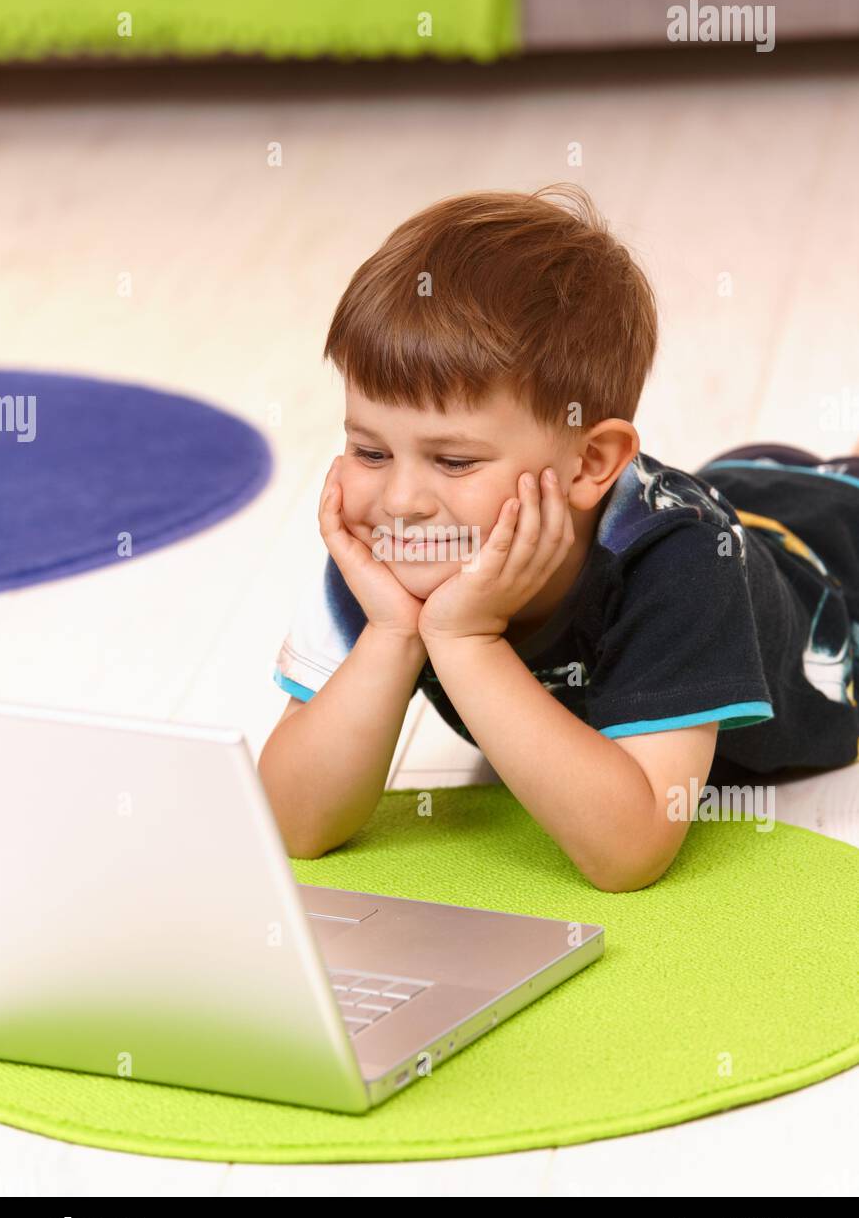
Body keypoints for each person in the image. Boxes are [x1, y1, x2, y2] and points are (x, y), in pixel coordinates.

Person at [258, 184, 859, 891]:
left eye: (454, 461)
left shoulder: (683, 562)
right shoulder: (391, 553)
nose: (400, 501)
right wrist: (392, 633)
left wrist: (465, 641)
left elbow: (630, 849)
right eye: (369, 451)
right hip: (744, 499)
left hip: (827, 555)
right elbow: (293, 825)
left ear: (592, 463)